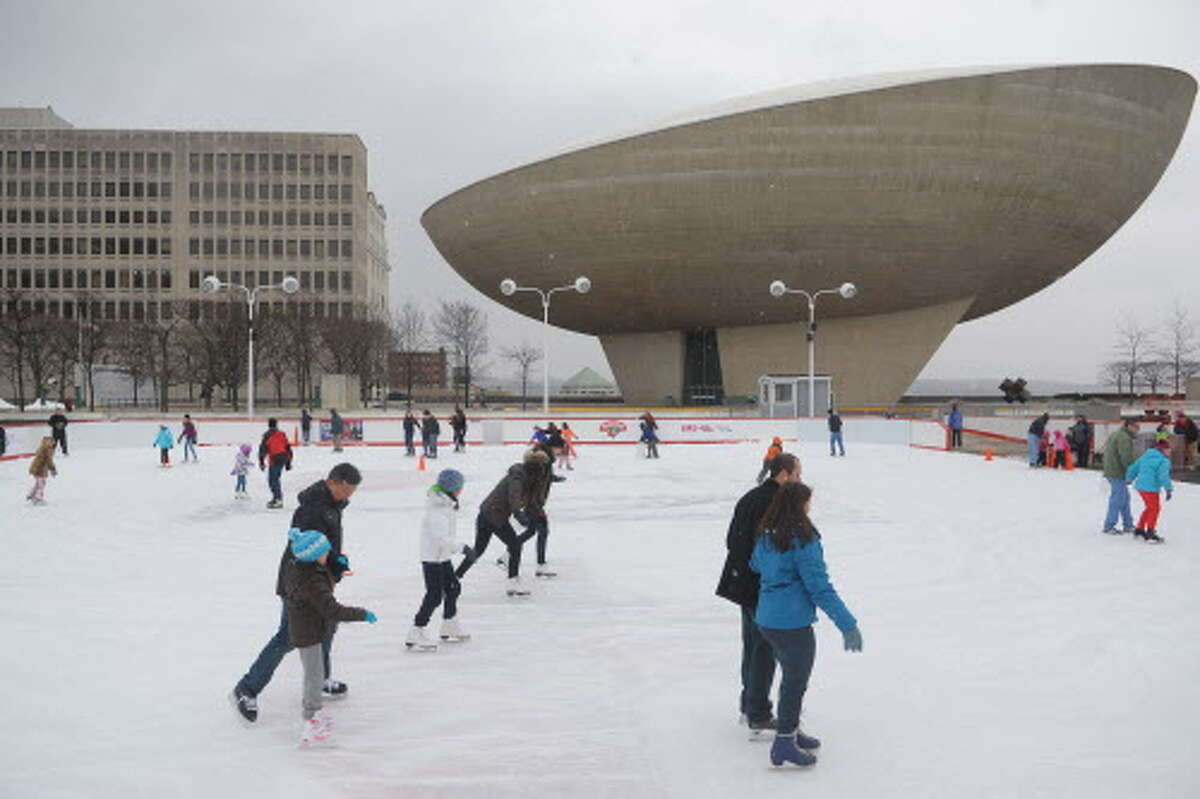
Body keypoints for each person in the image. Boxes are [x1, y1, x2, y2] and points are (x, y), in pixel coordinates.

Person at [231, 462, 363, 724]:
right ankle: (246, 689)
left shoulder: (332, 505)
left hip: (321, 578)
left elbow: (325, 545)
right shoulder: (314, 508)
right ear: (334, 482)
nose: (349, 497)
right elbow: (303, 550)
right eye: (347, 491)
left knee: (325, 627)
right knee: (288, 637)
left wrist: (334, 565)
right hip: (301, 582)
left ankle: (321, 678)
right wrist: (328, 568)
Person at [750, 481, 862, 768]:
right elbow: (820, 588)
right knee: (795, 681)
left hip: (766, 618)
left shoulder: (766, 533)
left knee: (791, 678)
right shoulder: (803, 538)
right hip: (792, 623)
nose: (809, 507)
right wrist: (847, 624)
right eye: (807, 503)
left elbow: (755, 565)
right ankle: (785, 741)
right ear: (799, 506)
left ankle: (791, 731)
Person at [716, 452, 802, 738]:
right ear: (784, 474)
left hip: (742, 583)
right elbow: (773, 550)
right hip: (758, 586)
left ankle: (749, 703)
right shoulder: (774, 502)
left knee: (753, 644)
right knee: (765, 648)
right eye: (797, 474)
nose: (800, 479)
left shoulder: (751, 495)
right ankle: (759, 712)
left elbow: (731, 540)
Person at [283, 527, 376, 744]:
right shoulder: (312, 581)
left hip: (310, 628)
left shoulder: (304, 569)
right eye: (325, 552)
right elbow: (332, 609)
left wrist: (335, 571)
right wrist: (362, 614)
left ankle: (313, 715)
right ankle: (311, 720)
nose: (328, 555)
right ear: (314, 555)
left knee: (315, 673)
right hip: (308, 632)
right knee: (314, 676)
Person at [456, 449, 549, 596]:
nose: (543, 472)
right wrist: (519, 514)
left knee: (479, 550)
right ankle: (512, 583)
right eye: (542, 468)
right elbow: (514, 496)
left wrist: (537, 512)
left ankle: (455, 578)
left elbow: (531, 499)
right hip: (494, 515)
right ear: (535, 468)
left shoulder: (528, 478)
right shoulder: (518, 477)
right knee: (515, 546)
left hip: (487, 514)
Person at [406, 469, 471, 651]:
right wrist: (462, 548)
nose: (461, 490)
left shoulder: (445, 503)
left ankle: (449, 623)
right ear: (451, 488)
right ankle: (416, 630)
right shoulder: (438, 509)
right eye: (459, 486)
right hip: (432, 557)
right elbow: (440, 539)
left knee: (453, 587)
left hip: (441, 556)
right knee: (434, 596)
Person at [1126, 440, 1173, 544]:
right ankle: (1150, 533)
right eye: (1168, 449)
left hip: (1141, 487)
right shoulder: (1163, 461)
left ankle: (1139, 529)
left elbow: (1134, 467)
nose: (1169, 452)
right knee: (1155, 508)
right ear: (1162, 450)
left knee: (1150, 508)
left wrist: (1129, 478)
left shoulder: (1146, 456)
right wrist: (1168, 489)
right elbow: (1163, 476)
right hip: (1150, 488)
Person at [1101, 419, 1139, 534]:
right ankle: (1109, 525)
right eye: (1136, 427)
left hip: (1113, 470)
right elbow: (1126, 457)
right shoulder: (1124, 438)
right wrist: (1132, 472)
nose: (1137, 430)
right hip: (1117, 472)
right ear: (1129, 426)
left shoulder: (1117, 434)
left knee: (1124, 498)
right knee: (1118, 499)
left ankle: (1128, 524)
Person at [258, 418, 294, 509]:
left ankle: (278, 499)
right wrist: (288, 462)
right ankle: (277, 498)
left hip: (274, 459)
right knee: (275, 479)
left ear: (269, 425)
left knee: (273, 480)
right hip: (283, 458)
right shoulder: (282, 434)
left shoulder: (267, 435)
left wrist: (261, 462)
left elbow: (262, 450)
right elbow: (288, 448)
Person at [26, 436, 57, 505]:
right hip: (40, 469)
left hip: (37, 468)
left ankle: (31, 494)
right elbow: (49, 461)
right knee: (41, 484)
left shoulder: (42, 449)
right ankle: (38, 498)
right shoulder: (47, 450)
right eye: (51, 442)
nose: (53, 443)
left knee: (38, 483)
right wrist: (53, 469)